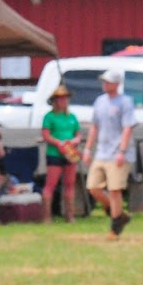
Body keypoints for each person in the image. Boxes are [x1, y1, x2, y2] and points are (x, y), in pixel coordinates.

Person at [85, 68, 137, 238]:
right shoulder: (100, 101)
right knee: (93, 187)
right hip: (101, 152)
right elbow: (94, 126)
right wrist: (87, 149)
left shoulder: (125, 102)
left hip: (117, 153)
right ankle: (119, 214)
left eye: (108, 81)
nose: (104, 84)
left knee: (115, 190)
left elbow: (127, 128)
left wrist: (122, 151)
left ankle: (115, 228)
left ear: (117, 84)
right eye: (104, 81)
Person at [40, 85, 81, 223]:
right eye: (61, 99)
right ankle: (47, 217)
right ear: (55, 101)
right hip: (55, 153)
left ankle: (70, 215)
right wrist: (58, 143)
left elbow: (78, 134)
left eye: (65, 99)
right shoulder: (49, 117)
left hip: (70, 153)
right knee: (50, 184)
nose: (64, 101)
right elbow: (46, 135)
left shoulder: (72, 117)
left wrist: (73, 142)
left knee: (70, 184)